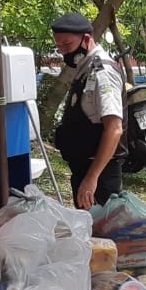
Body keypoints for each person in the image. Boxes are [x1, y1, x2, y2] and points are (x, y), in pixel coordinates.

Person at [49, 13, 125, 209]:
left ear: (87, 39)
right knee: (90, 234)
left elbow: (114, 128)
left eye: (67, 45)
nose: (64, 52)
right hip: (84, 168)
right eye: (59, 47)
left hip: (99, 173)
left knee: (102, 236)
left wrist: (92, 178)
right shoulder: (86, 68)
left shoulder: (102, 73)